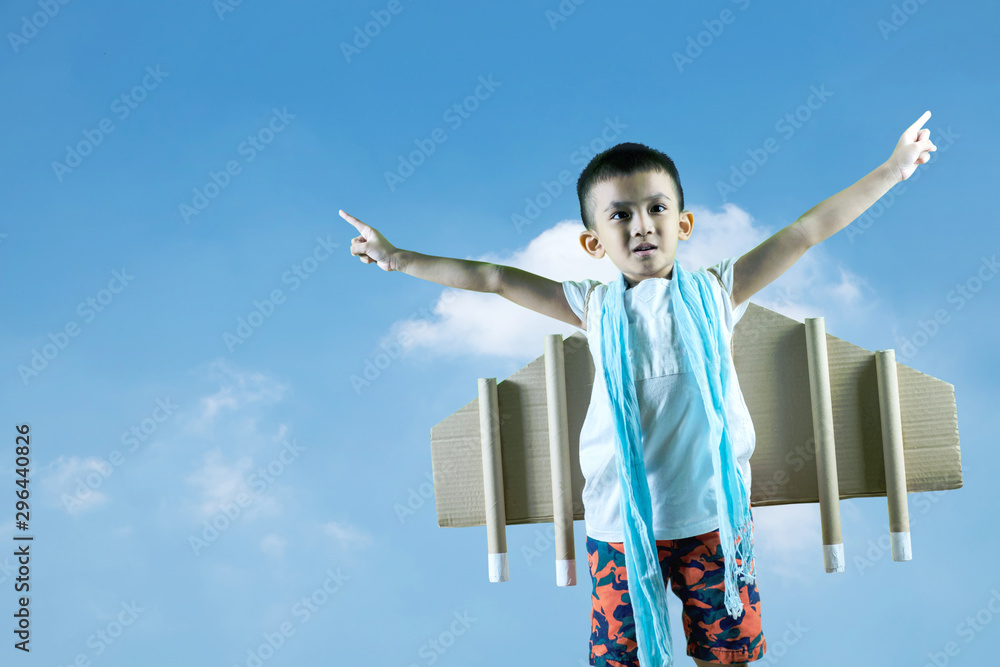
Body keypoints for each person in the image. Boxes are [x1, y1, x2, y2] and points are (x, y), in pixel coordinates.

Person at [342, 111, 938, 666]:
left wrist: (894, 168)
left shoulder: (717, 292)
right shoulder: (593, 306)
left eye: (656, 208)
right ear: (593, 242)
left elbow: (807, 232)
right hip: (618, 526)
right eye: (619, 214)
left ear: (682, 223)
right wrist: (396, 258)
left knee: (731, 654)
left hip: (712, 522)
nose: (642, 225)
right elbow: (495, 278)